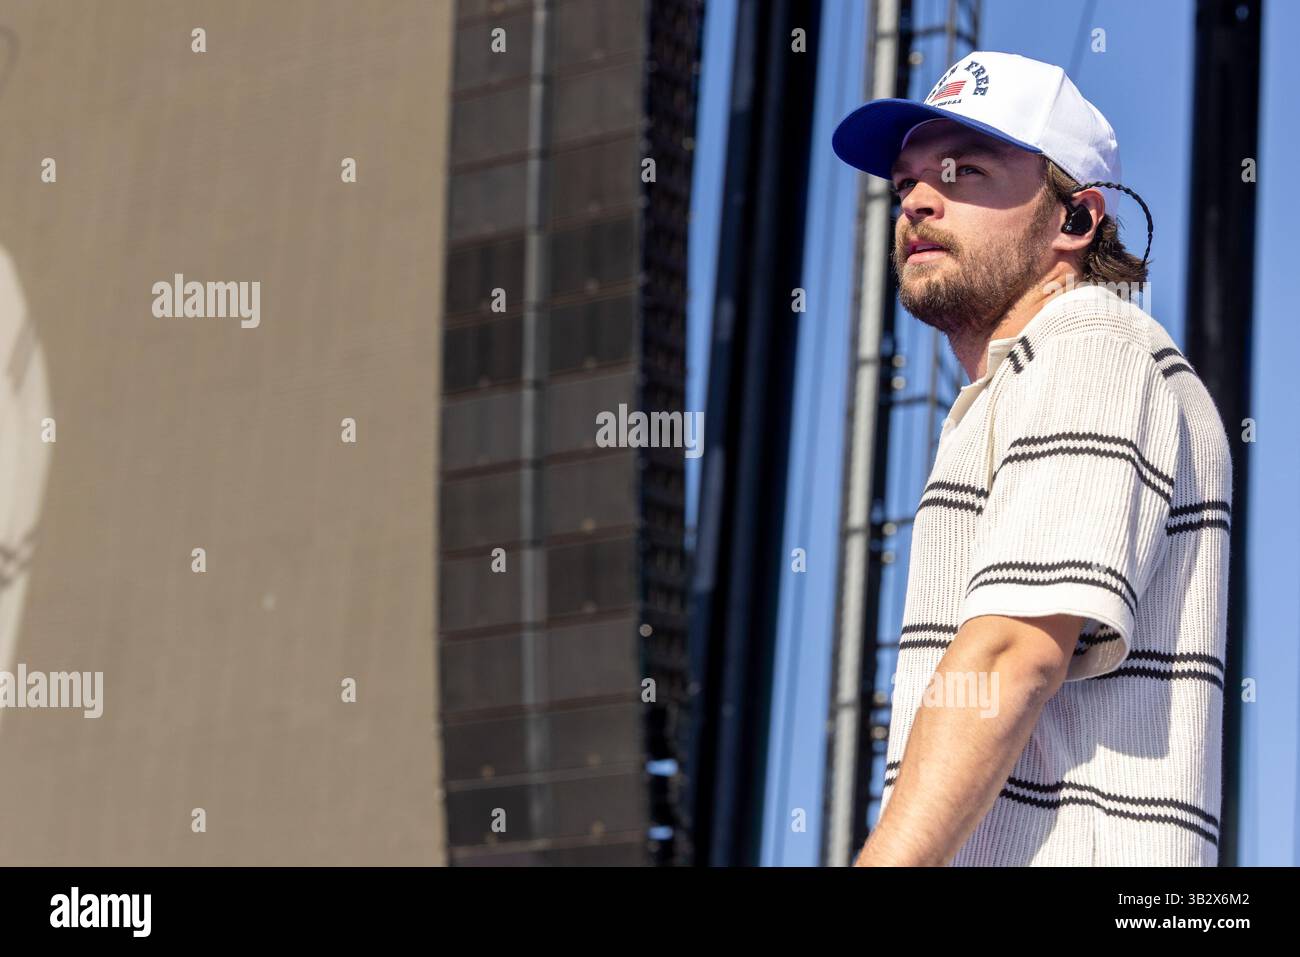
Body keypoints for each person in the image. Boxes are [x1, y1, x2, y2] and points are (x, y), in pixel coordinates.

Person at [832, 51, 1232, 865]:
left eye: (963, 169)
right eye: (905, 179)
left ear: (1076, 220)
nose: (916, 199)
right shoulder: (1035, 375)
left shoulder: (1090, 341)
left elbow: (1014, 652)